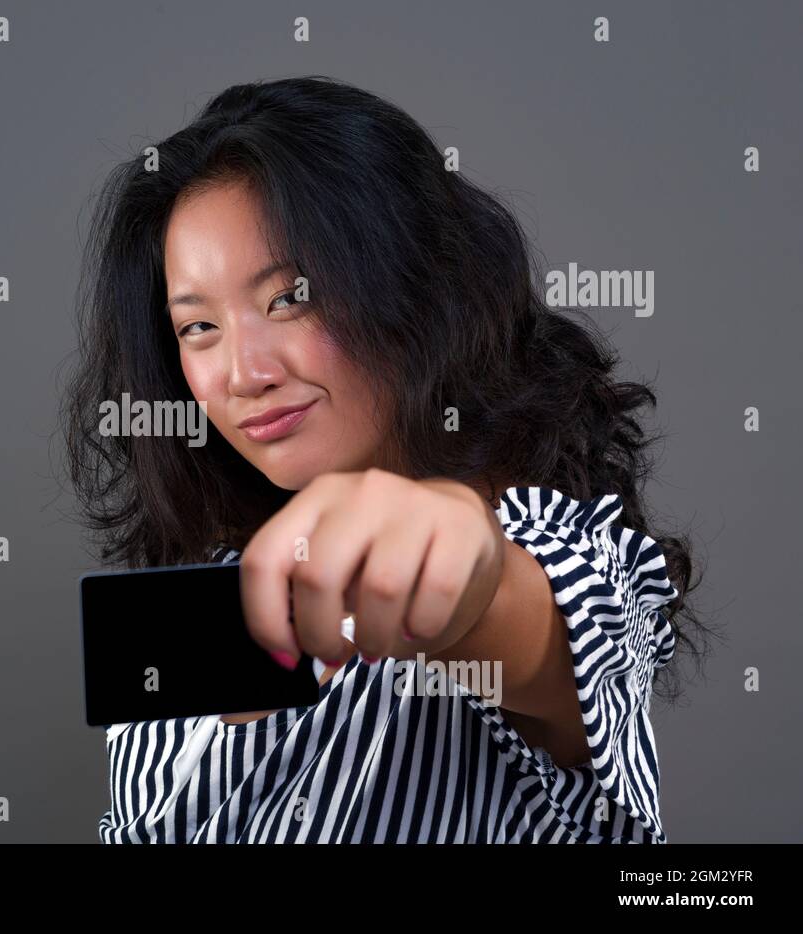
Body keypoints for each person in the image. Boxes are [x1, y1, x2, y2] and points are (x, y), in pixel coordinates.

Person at [62, 75, 708, 843]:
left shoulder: (570, 553)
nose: (244, 373)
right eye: (198, 328)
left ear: (409, 284)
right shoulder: (197, 603)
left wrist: (462, 559)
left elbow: (531, 617)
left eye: (287, 299)